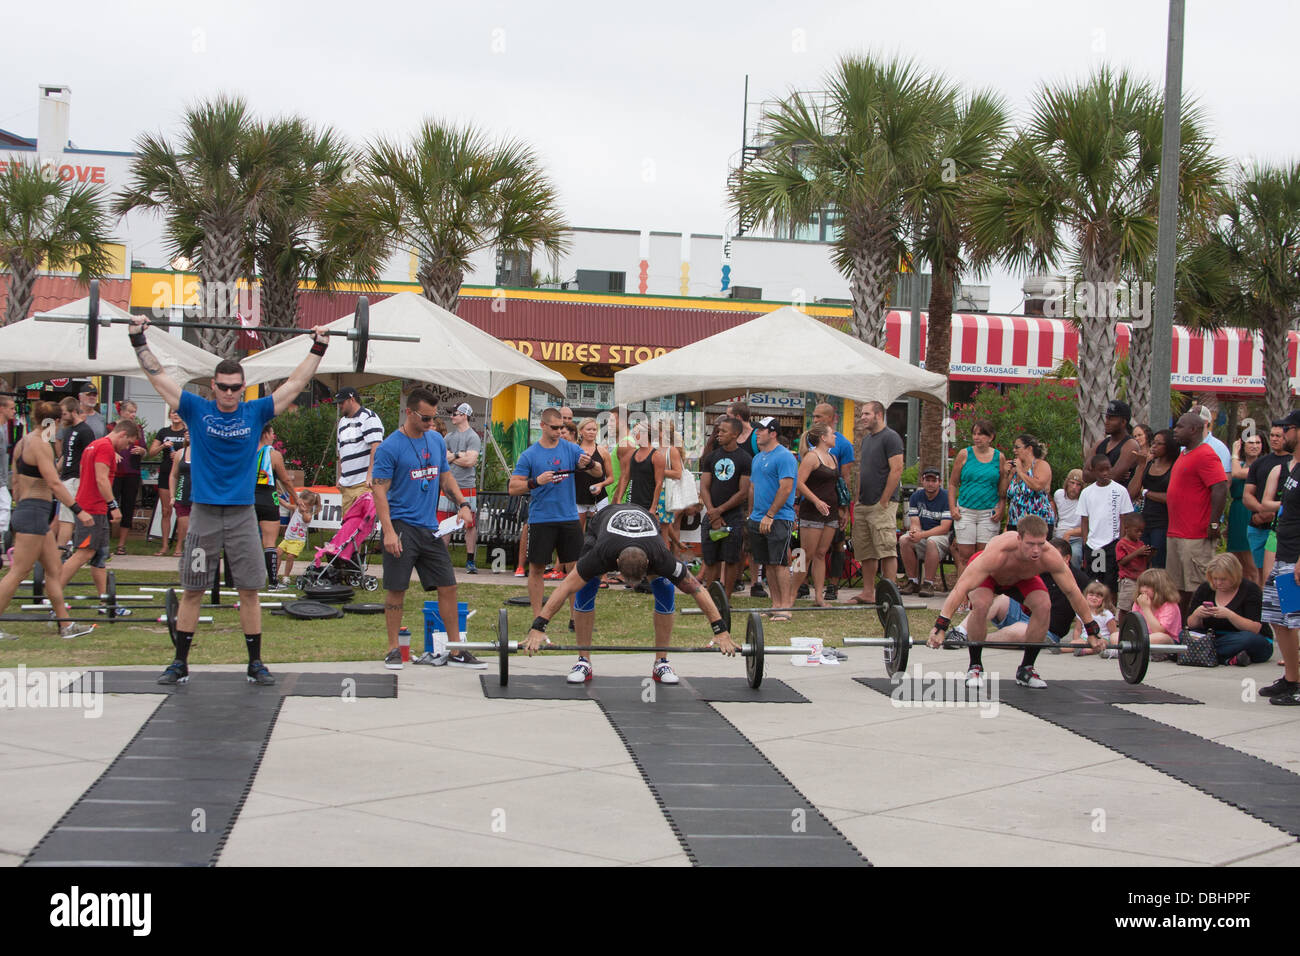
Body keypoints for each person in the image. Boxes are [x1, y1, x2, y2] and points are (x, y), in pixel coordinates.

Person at [128, 313, 332, 687]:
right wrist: (139, 340)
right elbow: (158, 377)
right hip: (204, 514)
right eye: (222, 386)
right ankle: (179, 663)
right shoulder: (195, 408)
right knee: (193, 589)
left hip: (241, 515)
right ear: (214, 385)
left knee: (249, 590)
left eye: (235, 387)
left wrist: (318, 346)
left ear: (243, 387)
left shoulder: (256, 412)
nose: (228, 393)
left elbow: (295, 383)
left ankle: (255, 664)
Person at [521, 503, 737, 683]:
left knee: (665, 587)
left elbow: (697, 589)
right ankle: (583, 661)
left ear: (649, 565)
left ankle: (661, 663)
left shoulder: (661, 556)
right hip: (602, 525)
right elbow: (566, 586)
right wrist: (538, 626)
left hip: (645, 521)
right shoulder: (601, 554)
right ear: (614, 564)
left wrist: (721, 630)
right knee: (585, 587)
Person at [372, 388, 481, 671]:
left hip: (430, 528)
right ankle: (393, 649)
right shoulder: (389, 447)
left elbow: (445, 476)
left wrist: (462, 503)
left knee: (448, 586)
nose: (431, 424)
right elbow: (379, 491)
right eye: (425, 418)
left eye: (434, 419)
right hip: (401, 526)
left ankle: (457, 650)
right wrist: (388, 532)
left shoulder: (434, 440)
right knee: (397, 589)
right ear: (409, 413)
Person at [927, 516, 1103, 689]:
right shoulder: (998, 551)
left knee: (1043, 605)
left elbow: (1073, 592)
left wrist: (1092, 629)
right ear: (1019, 538)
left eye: (1040, 544)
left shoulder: (1049, 556)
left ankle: (1026, 669)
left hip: (1021, 579)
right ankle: (975, 667)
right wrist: (940, 626)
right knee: (982, 604)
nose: (1036, 550)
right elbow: (960, 589)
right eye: (1030, 544)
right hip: (991, 576)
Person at [0, 401, 95, 641]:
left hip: (30, 511)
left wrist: (23, 507)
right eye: (60, 424)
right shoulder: (41, 444)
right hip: (33, 513)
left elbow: (16, 482)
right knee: (18, 572)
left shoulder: (22, 442)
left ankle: (66, 626)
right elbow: (54, 482)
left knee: (54, 571)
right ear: (52, 422)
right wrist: (79, 510)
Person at [510, 406, 604, 617]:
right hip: (542, 518)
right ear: (542, 426)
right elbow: (513, 487)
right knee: (537, 569)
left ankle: (575, 617)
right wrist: (535, 482)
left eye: (561, 427)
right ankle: (537, 618)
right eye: (554, 428)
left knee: (575, 570)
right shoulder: (530, 455)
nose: (558, 432)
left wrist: (589, 464)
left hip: (569, 518)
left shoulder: (570, 449)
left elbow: (599, 472)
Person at [59, 421, 142, 610]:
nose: (127, 447)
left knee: (100, 556)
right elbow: (101, 479)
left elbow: (85, 472)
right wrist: (113, 505)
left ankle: (105, 601)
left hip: (95, 508)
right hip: (92, 508)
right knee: (83, 553)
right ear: (122, 434)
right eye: (128, 442)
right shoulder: (105, 447)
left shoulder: (93, 445)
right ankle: (53, 596)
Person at [1166, 411, 1229, 610]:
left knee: (1197, 587)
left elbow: (1220, 487)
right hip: (1177, 532)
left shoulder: (1206, 454)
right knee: (1177, 588)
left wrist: (1214, 522)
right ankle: (1181, 630)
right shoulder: (1184, 454)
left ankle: (1198, 632)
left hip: (1195, 535)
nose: (1175, 430)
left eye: (1179, 426)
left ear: (1193, 430)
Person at [1260, 409, 1300, 704]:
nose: (1281, 435)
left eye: (1286, 430)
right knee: (1280, 620)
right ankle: (1291, 680)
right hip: (1283, 553)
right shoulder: (1293, 467)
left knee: (1297, 619)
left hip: (1295, 557)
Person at [846, 401, 903, 604]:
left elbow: (896, 469)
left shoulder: (891, 437)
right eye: (862, 414)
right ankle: (869, 593)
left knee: (886, 548)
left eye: (866, 413)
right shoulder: (867, 439)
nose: (862, 417)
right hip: (864, 503)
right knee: (866, 550)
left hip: (882, 504)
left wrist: (884, 500)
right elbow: (862, 469)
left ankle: (889, 593)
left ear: (878, 414)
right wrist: (858, 497)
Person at [747, 416, 798, 619]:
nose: (757, 433)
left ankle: (786, 606)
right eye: (756, 429)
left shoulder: (785, 456)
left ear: (773, 433)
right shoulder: (757, 457)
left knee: (779, 563)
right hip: (758, 517)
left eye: (761, 429)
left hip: (778, 517)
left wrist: (770, 514)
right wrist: (751, 514)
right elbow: (752, 487)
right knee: (767, 562)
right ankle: (775, 604)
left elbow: (786, 488)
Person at [698, 416, 751, 598]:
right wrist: (712, 512)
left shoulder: (744, 459)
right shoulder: (711, 457)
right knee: (711, 559)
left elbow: (743, 491)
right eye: (718, 431)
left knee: (730, 558)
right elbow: (704, 486)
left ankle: (726, 598)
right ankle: (711, 597)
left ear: (735, 434)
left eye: (723, 431)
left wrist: (719, 511)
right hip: (712, 516)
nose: (718, 434)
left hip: (733, 516)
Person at [1187, 553, 1273, 666]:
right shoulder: (1205, 588)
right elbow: (1190, 624)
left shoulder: (1250, 590)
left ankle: (1197, 653)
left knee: (1246, 639)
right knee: (1185, 635)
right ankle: (1226, 658)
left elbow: (1255, 628)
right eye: (1215, 579)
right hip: (1213, 636)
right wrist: (1197, 615)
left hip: (1243, 637)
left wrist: (1230, 615)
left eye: (1223, 579)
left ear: (1234, 576)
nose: (1218, 583)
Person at [948, 419, 1008, 577]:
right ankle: (962, 595)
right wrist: (952, 507)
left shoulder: (999, 457)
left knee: (984, 556)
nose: (977, 437)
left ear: (991, 437)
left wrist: (1001, 508)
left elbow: (1002, 489)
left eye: (981, 434)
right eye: (974, 433)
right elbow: (953, 483)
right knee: (965, 556)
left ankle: (981, 593)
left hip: (988, 512)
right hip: (965, 511)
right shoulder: (964, 454)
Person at [791, 423, 840, 606]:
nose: (835, 436)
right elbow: (799, 483)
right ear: (823, 438)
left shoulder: (833, 457)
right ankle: (791, 593)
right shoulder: (812, 457)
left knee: (821, 553)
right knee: (805, 554)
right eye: (832, 434)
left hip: (830, 512)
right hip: (812, 512)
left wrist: (841, 509)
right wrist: (816, 500)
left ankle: (819, 596)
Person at [1078, 454, 1133, 597]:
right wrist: (1086, 543)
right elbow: (1084, 520)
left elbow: (1124, 518)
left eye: (1108, 469)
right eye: (1101, 470)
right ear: (1094, 471)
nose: (1105, 473)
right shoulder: (1087, 492)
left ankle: (1110, 612)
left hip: (1112, 543)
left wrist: (1120, 542)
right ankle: (1095, 611)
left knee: (1111, 582)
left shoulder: (1120, 491)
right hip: (1094, 544)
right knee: (1095, 581)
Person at [254, 423, 300, 585]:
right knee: (269, 542)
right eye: (272, 433)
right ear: (266, 434)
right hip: (267, 498)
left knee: (244, 541)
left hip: (247, 499)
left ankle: (239, 579)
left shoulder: (245, 451)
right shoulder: (274, 455)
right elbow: (285, 480)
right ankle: (273, 582)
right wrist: (297, 499)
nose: (274, 437)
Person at [439, 403, 482, 572]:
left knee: (469, 524)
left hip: (466, 485)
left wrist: (451, 457)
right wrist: (459, 455)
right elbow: (441, 458)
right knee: (444, 523)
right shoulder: (448, 437)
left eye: (455, 414)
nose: (452, 417)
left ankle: (470, 560)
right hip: (448, 485)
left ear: (464, 415)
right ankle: (442, 560)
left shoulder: (473, 437)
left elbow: (470, 461)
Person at [1244, 423, 1288, 582]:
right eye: (1272, 435)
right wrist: (1261, 511)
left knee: (1277, 578)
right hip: (1257, 526)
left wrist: (1272, 514)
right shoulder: (1259, 463)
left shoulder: (1293, 464)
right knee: (1259, 576)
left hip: (1281, 529)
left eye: (1279, 436)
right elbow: (1247, 494)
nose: (1275, 439)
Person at [1127, 428, 1177, 569]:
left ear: (1169, 447)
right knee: (1140, 562)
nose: (1153, 447)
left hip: (1163, 523)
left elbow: (1172, 498)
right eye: (1153, 443)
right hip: (1145, 521)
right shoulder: (1148, 465)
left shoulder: (1175, 468)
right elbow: (1132, 492)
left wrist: (1147, 493)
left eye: (1158, 444)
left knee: (1157, 563)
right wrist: (1141, 466)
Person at [900, 467, 952, 598]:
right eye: (927, 480)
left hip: (943, 537)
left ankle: (928, 584)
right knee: (904, 540)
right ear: (922, 481)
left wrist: (921, 535)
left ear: (939, 482)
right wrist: (915, 531)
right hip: (923, 533)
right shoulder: (916, 496)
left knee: (932, 541)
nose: (930, 483)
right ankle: (913, 581)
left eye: (933, 481)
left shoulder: (946, 497)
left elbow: (945, 527)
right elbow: (914, 521)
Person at [334, 386, 384, 518]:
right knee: (347, 525)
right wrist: (340, 476)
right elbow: (341, 451)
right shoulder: (342, 422)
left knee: (359, 525)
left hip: (363, 482)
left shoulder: (368, 417)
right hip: (347, 484)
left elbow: (376, 446)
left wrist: (370, 475)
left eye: (342, 402)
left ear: (352, 399)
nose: (339, 406)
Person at [54, 397, 94, 550]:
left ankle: (61, 552)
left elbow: (88, 458)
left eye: (64, 414)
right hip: (66, 479)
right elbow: (65, 456)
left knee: (67, 520)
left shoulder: (85, 431)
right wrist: (53, 473)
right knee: (67, 518)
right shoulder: (68, 430)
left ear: (74, 412)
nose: (62, 417)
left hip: (76, 479)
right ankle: (69, 550)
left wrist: (86, 482)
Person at [109, 402, 148, 555]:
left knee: (128, 506)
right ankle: (105, 539)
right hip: (116, 471)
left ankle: (121, 544)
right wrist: (113, 453)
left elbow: (145, 449)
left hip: (132, 471)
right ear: (122, 412)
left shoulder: (138, 429)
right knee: (110, 504)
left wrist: (142, 450)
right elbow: (105, 444)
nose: (133, 415)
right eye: (130, 411)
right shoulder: (111, 428)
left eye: (135, 411)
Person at [148, 408, 187, 555]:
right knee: (166, 511)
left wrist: (180, 454)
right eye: (173, 412)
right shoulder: (163, 432)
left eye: (178, 412)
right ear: (169, 415)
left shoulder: (188, 432)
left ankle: (179, 546)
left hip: (183, 474)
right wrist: (162, 446)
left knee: (182, 512)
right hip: (165, 474)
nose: (176, 415)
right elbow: (151, 453)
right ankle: (164, 545)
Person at [1125, 568, 1184, 656]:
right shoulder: (1138, 603)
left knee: (1159, 638)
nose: (1144, 590)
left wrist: (1146, 609)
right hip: (1142, 637)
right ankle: (1136, 649)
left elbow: (1158, 630)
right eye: (1142, 586)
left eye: (1148, 587)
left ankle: (1133, 650)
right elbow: (1134, 625)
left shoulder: (1169, 605)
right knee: (1114, 636)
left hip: (1167, 640)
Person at [1228, 434, 1262, 585]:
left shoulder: (1261, 465)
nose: (1254, 445)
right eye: (1250, 442)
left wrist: (1234, 454)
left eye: (1258, 442)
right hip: (1236, 511)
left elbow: (1237, 474)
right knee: (1236, 564)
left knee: (1252, 564)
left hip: (1251, 510)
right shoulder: (1239, 464)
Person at [1005, 432, 1054, 536]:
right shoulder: (1015, 469)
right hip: (1015, 522)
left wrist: (1021, 472)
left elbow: (1037, 486)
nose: (1014, 450)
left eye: (1017, 447)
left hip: (1038, 523)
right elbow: (1004, 494)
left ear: (1029, 449)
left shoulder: (1041, 465)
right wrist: (1005, 474)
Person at [1083, 399, 1140, 486]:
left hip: (1117, 498)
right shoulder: (1099, 444)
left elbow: (1115, 476)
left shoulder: (1130, 445)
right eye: (1107, 418)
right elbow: (1085, 476)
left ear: (1123, 422)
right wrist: (1108, 475)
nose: (1106, 422)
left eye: (1111, 419)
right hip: (1099, 496)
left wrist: (1096, 473)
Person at [574, 417, 612, 534]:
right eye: (588, 429)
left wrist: (601, 484)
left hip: (598, 498)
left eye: (594, 429)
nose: (592, 432)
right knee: (577, 534)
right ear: (581, 431)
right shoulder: (574, 450)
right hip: (578, 497)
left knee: (598, 533)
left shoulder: (602, 451)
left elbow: (611, 478)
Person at [277, 489, 320, 586]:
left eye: (305, 505)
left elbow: (306, 519)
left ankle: (286, 576)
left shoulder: (308, 515)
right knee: (278, 553)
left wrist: (304, 511)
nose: (302, 507)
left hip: (297, 541)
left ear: (310, 506)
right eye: (301, 504)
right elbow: (286, 505)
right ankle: (274, 574)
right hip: (287, 538)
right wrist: (278, 498)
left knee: (290, 556)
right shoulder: (296, 508)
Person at [1113, 511, 1152, 620]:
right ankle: (1122, 629)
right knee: (1125, 607)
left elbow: (1144, 561)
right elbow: (1121, 562)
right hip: (1128, 580)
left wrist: (1149, 554)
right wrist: (1137, 552)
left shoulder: (1140, 544)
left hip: (1140, 580)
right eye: (1136, 531)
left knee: (1138, 606)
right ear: (1126, 528)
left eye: (1141, 531)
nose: (1139, 534)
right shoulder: (1121, 544)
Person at [1069, 581, 1117, 654]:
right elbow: (1077, 630)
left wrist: (1112, 644)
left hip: (1102, 639)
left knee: (1100, 645)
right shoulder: (1081, 612)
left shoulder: (1106, 614)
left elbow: (1113, 632)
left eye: (1098, 596)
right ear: (1085, 596)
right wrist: (1077, 640)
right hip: (1085, 638)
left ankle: (1084, 651)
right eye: (1091, 595)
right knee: (1073, 643)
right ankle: (1057, 648)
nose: (1094, 598)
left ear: (1103, 600)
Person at [1053, 469, 1085, 569]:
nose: (1074, 487)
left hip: (1075, 539)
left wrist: (1069, 533)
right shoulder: (1059, 494)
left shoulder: (1084, 500)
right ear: (1067, 483)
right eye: (1072, 483)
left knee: (1075, 555)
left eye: (1078, 484)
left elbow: (1087, 527)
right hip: (1058, 537)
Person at [1191, 404, 1232, 474]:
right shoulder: (1184, 445)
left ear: (1205, 423)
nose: (1190, 423)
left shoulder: (1219, 448)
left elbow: (1226, 480)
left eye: (1194, 420)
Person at [168, 437, 192, 560]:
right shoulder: (180, 453)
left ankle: (194, 548)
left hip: (199, 491)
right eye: (186, 432)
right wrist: (172, 496)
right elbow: (173, 475)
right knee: (183, 520)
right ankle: (179, 545)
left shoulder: (205, 451)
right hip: (183, 490)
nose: (188, 434)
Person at [0, 394, 14, 551]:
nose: (14, 411)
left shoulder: (3, 429)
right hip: (0, 480)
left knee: (5, 504)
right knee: (5, 505)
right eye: (10, 408)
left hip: (2, 478)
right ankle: (2, 539)